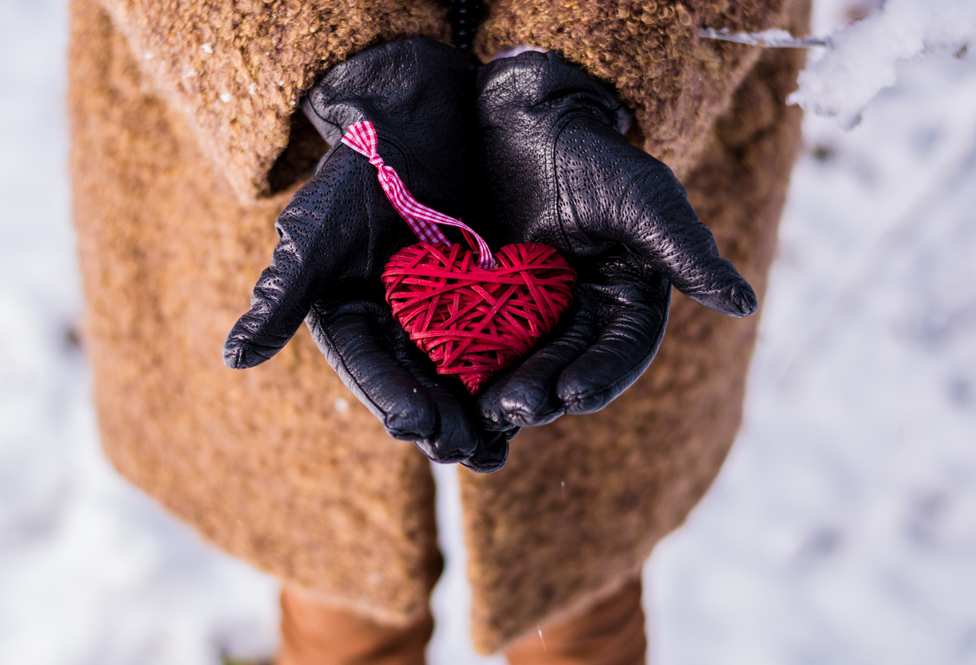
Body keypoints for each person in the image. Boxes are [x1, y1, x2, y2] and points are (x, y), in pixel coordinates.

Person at [68, 0, 810, 662]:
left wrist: (598, 52)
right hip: (272, 140)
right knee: (339, 600)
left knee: (583, 598)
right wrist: (321, 54)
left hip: (635, 147)